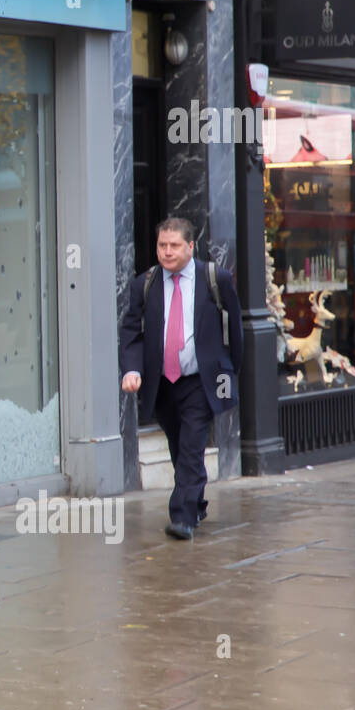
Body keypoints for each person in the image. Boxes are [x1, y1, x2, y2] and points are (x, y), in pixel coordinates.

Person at [120, 217, 244, 540]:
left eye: (174, 245)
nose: (167, 252)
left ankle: (183, 517)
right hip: (162, 383)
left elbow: (236, 326)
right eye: (162, 245)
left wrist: (230, 369)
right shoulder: (143, 284)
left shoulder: (214, 278)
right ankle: (197, 499)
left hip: (199, 380)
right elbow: (131, 332)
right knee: (179, 446)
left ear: (190, 246)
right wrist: (132, 370)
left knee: (191, 445)